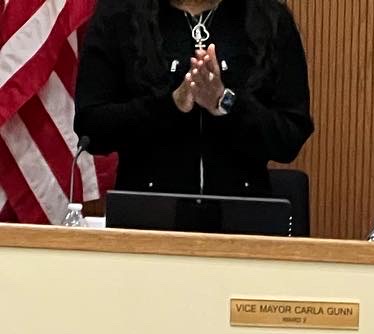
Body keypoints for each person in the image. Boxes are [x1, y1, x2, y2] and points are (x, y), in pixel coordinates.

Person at [75, 0, 313, 199]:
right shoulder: (119, 15)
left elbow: (290, 135)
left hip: (242, 217)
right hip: (146, 216)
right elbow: (91, 128)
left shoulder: (269, 18)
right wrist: (171, 106)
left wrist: (224, 102)